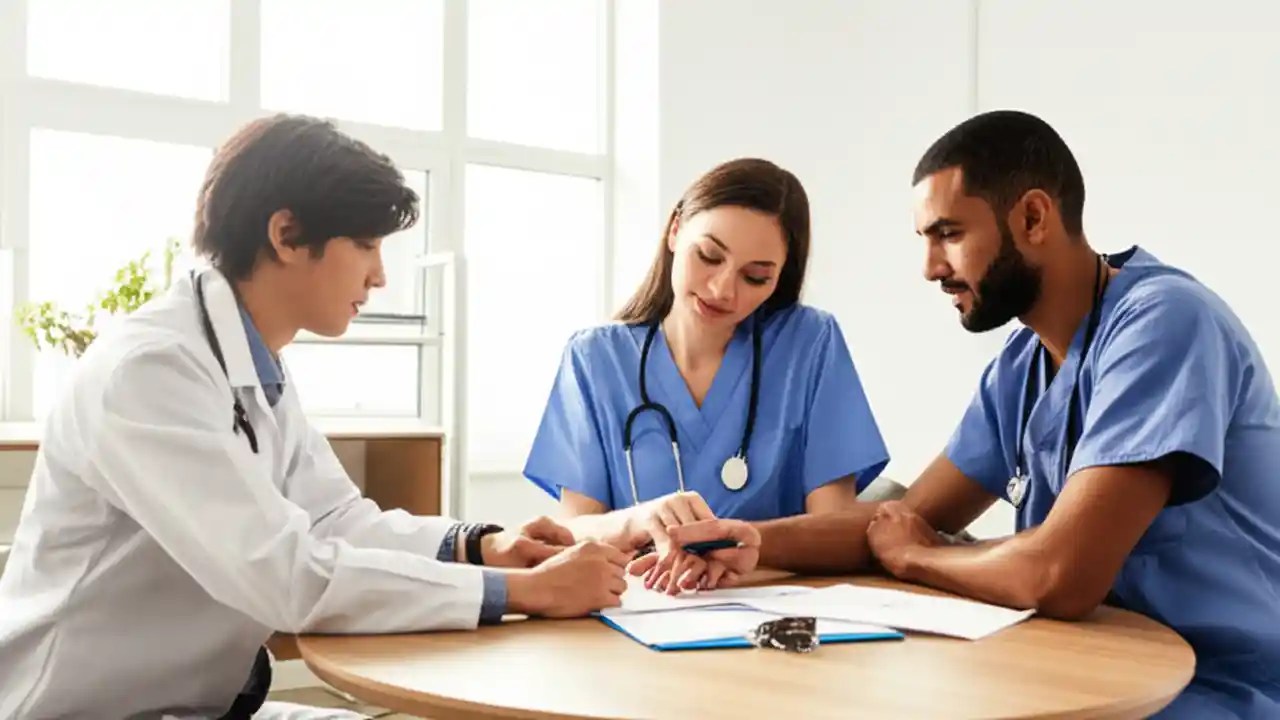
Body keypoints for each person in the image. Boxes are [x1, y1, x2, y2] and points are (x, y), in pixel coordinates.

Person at [0, 114, 629, 720]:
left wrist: (482, 547)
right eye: (366, 245)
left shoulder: (250, 360)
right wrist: (525, 593)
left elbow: (337, 520)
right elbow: (286, 577)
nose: (380, 276)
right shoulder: (149, 371)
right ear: (287, 234)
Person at [856, 109, 1280, 718]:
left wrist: (918, 557)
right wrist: (745, 542)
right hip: (1085, 671)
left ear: (1033, 217)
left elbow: (1059, 576)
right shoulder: (1021, 365)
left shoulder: (1165, 322)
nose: (931, 268)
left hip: (1218, 689)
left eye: (948, 234)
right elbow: (901, 518)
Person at [522, 158, 891, 593]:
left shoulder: (808, 344)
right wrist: (638, 521)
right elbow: (571, 534)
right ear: (675, 230)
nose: (722, 290)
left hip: (774, 606)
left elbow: (834, 532)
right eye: (709, 256)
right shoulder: (594, 359)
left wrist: (748, 550)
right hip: (642, 608)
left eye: (755, 277)